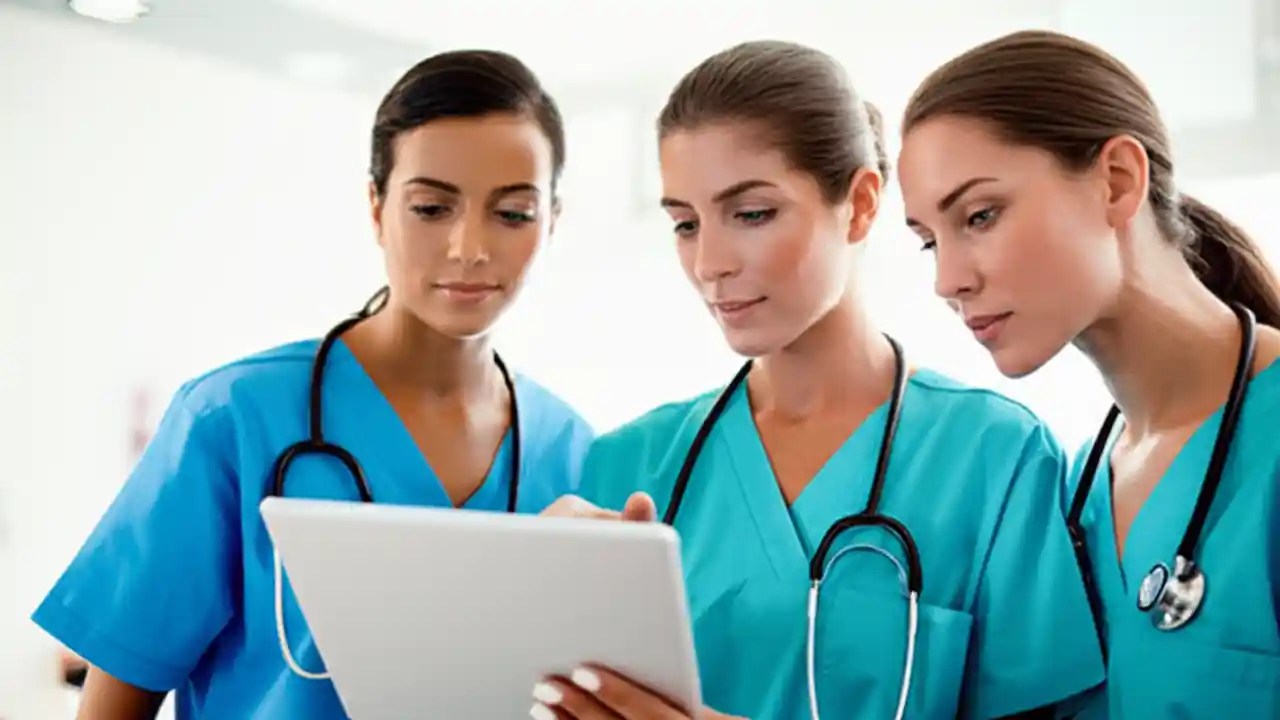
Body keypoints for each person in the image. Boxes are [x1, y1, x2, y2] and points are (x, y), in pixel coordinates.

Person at [534, 40, 1103, 720]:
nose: (710, 263)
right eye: (685, 224)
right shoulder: (628, 466)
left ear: (860, 204)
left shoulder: (994, 456)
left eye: (751, 214)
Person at [32, 49, 593, 719]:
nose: (469, 247)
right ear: (376, 207)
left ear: (553, 220)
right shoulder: (234, 418)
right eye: (431, 207)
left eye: (513, 213)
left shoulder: (574, 453)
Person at [896, 29, 1280, 718]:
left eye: (980, 216)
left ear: (1117, 182)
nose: (947, 280)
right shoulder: (1075, 499)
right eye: (929, 242)